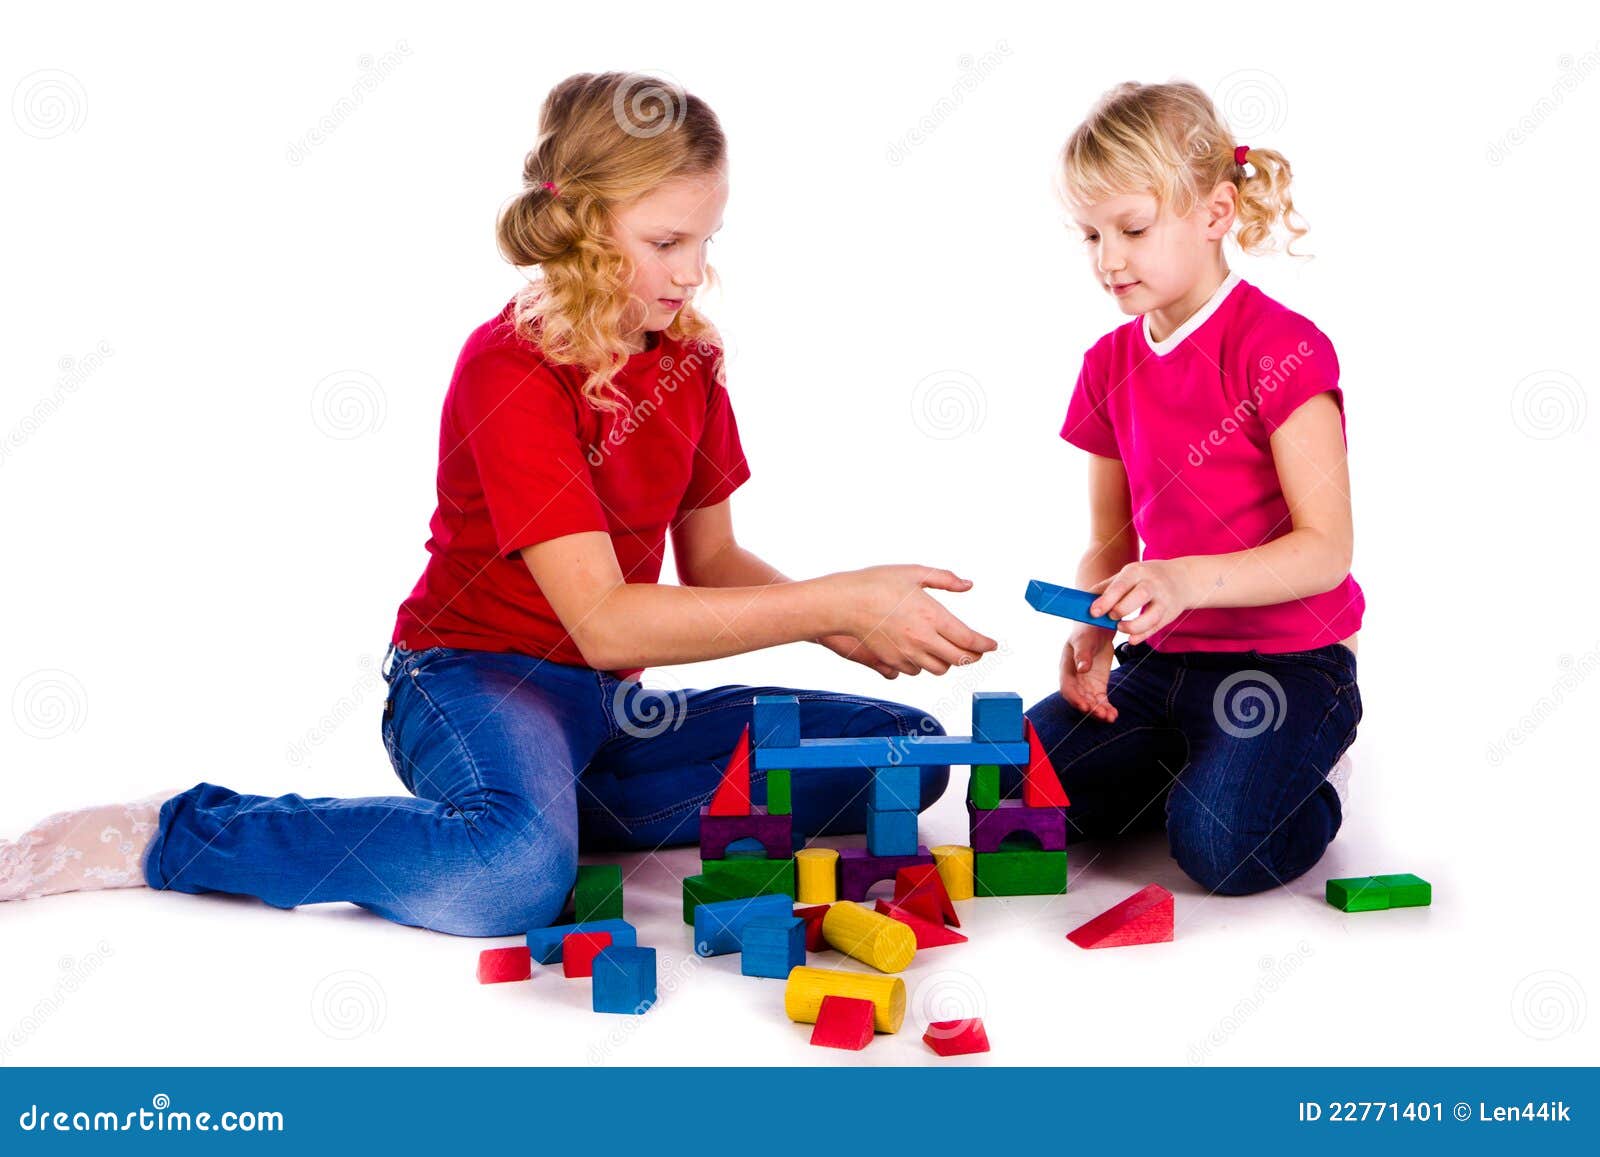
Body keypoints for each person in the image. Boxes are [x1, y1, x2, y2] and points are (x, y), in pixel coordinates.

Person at [1, 72, 997, 934]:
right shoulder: (512, 371)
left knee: (901, 756)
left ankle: (554, 804)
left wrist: (845, 624)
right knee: (509, 876)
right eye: (665, 240)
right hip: (474, 678)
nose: (693, 271)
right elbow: (604, 620)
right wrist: (833, 602)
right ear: (584, 228)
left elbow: (716, 562)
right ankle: (181, 829)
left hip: (610, 709)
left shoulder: (688, 358)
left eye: (706, 238)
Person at [1020, 81, 1365, 896]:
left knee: (1221, 849)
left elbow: (1328, 548)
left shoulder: (1282, 348)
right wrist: (1094, 626)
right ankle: (1194, 766)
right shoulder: (1108, 364)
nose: (1109, 259)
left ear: (1214, 214)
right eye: (1091, 235)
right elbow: (1111, 538)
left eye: (1133, 229)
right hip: (1164, 662)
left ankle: (1305, 777)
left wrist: (1184, 579)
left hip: (1288, 663)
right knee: (1014, 789)